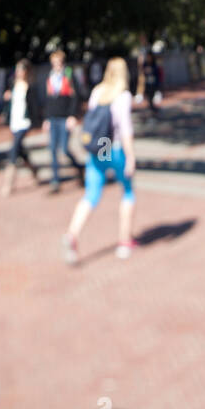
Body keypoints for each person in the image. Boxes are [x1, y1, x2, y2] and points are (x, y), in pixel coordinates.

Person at [61, 57, 137, 264]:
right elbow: (125, 128)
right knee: (128, 192)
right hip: (115, 148)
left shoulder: (98, 91)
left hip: (99, 147)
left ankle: (72, 234)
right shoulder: (123, 96)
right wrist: (131, 157)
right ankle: (124, 241)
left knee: (91, 194)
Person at [43, 50, 84, 193]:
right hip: (53, 117)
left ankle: (80, 168)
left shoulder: (69, 75)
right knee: (53, 149)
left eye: (58, 63)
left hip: (65, 117)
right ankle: (55, 181)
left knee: (65, 149)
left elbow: (76, 96)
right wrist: (46, 118)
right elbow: (48, 99)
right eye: (54, 63)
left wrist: (72, 116)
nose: (56, 66)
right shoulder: (51, 77)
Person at [1, 59, 42, 196]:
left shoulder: (30, 86)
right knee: (21, 152)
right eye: (17, 70)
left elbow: (34, 106)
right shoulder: (13, 85)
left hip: (24, 123)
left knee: (13, 152)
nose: (18, 72)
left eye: (21, 70)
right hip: (14, 122)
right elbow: (10, 104)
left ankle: (8, 185)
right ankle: (34, 170)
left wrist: (36, 121)